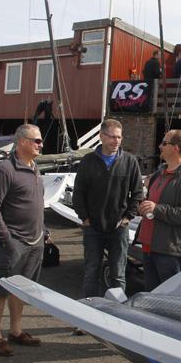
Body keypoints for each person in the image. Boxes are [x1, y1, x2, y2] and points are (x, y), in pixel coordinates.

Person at [0, 124, 47, 357]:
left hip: (35, 240)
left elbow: (37, 203)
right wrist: (6, 239)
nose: (41, 144)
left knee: (20, 289)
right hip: (13, 242)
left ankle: (16, 330)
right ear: (21, 141)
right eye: (36, 141)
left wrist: (43, 230)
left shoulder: (35, 168)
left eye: (40, 141)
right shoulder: (5, 169)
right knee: (1, 288)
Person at [73, 118, 143, 298]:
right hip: (92, 228)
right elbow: (78, 193)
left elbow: (137, 194)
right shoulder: (88, 161)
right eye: (112, 137)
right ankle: (87, 319)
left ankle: (116, 319)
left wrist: (127, 219)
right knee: (91, 274)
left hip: (118, 228)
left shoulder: (130, 161)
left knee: (118, 275)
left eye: (119, 137)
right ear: (101, 136)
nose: (116, 141)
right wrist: (85, 219)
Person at [136, 129, 181, 291]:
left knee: (169, 299)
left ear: (176, 148)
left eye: (164, 143)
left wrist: (157, 209)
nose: (160, 146)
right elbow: (153, 203)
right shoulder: (160, 174)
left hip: (171, 251)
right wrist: (144, 207)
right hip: (151, 247)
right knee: (152, 299)